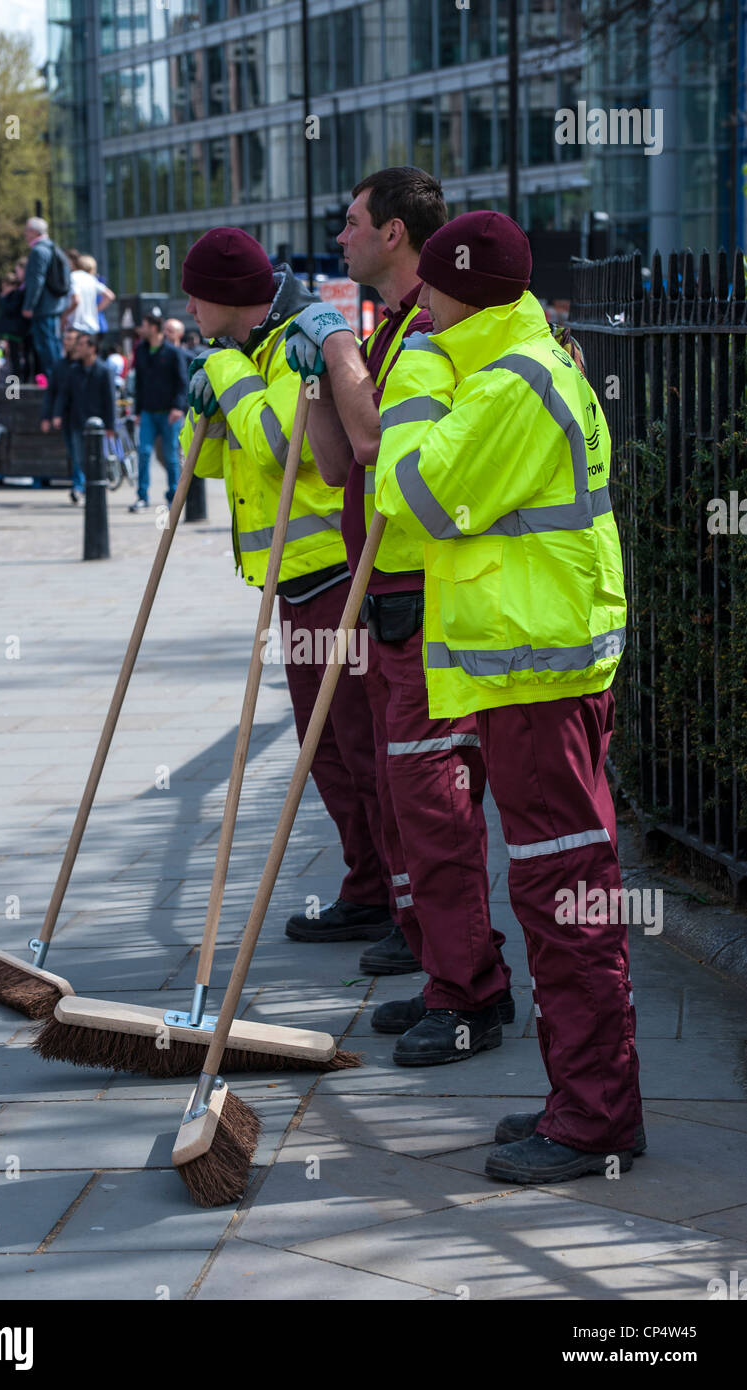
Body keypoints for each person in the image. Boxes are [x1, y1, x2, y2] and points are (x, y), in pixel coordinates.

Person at [374, 209, 643, 1181]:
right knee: (559, 886)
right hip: (539, 668)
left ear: (462, 292)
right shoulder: (521, 362)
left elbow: (419, 494)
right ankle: (585, 1099)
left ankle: (595, 1118)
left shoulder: (505, 382)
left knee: (562, 892)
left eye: (430, 294)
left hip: (539, 673)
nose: (418, 308)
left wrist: (407, 378)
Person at [285, 167, 512, 1067]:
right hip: (379, 597)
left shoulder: (434, 326)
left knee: (432, 800)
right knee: (404, 797)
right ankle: (444, 972)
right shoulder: (389, 330)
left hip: (423, 600)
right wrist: (317, 379)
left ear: (392, 234)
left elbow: (387, 448)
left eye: (349, 224)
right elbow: (345, 466)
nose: (336, 240)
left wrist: (337, 352)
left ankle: (471, 995)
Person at [180, 226, 397, 946]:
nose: (186, 304)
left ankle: (407, 904)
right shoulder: (243, 355)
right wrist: (206, 402)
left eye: (195, 293)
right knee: (321, 749)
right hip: (292, 588)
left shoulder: (287, 348)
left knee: (363, 747)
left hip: (337, 576)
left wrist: (227, 375)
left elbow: (280, 442)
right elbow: (208, 466)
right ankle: (367, 886)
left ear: (222, 298)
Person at [128, 306, 188, 513]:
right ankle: (142, 496)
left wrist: (178, 408)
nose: (141, 329)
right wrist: (137, 410)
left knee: (171, 455)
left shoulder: (172, 352)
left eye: (144, 326)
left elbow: (182, 382)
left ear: (154, 327)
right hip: (148, 412)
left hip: (169, 413)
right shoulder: (141, 350)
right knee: (143, 453)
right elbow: (139, 382)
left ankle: (174, 496)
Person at [52, 331, 116, 504]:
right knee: (80, 459)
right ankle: (90, 489)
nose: (77, 347)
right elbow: (63, 395)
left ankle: (97, 490)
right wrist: (57, 414)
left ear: (92, 348)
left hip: (98, 424)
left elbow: (110, 400)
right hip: (77, 422)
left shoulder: (104, 370)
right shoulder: (74, 370)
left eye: (81, 344)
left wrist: (111, 426)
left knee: (98, 459)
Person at [22, 217, 70, 374]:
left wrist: (29, 305)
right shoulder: (54, 248)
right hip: (54, 305)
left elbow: (36, 280)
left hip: (44, 307)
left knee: (46, 345)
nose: (25, 234)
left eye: (28, 230)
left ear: (35, 231)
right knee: (53, 343)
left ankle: (55, 379)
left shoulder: (38, 250)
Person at [41, 326, 78, 479]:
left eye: (70, 339)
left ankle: (80, 485)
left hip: (82, 416)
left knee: (79, 452)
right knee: (74, 452)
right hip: (66, 416)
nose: (66, 342)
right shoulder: (60, 366)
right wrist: (47, 416)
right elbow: (52, 393)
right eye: (65, 338)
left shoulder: (84, 365)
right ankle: (80, 485)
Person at [0, 272, 29, 378]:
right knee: (12, 353)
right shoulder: (12, 295)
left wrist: (3, 298)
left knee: (16, 353)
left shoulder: (16, 295)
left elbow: (10, 309)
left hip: (16, 330)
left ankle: (19, 374)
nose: (3, 289)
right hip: (11, 330)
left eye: (6, 286)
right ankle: (16, 373)